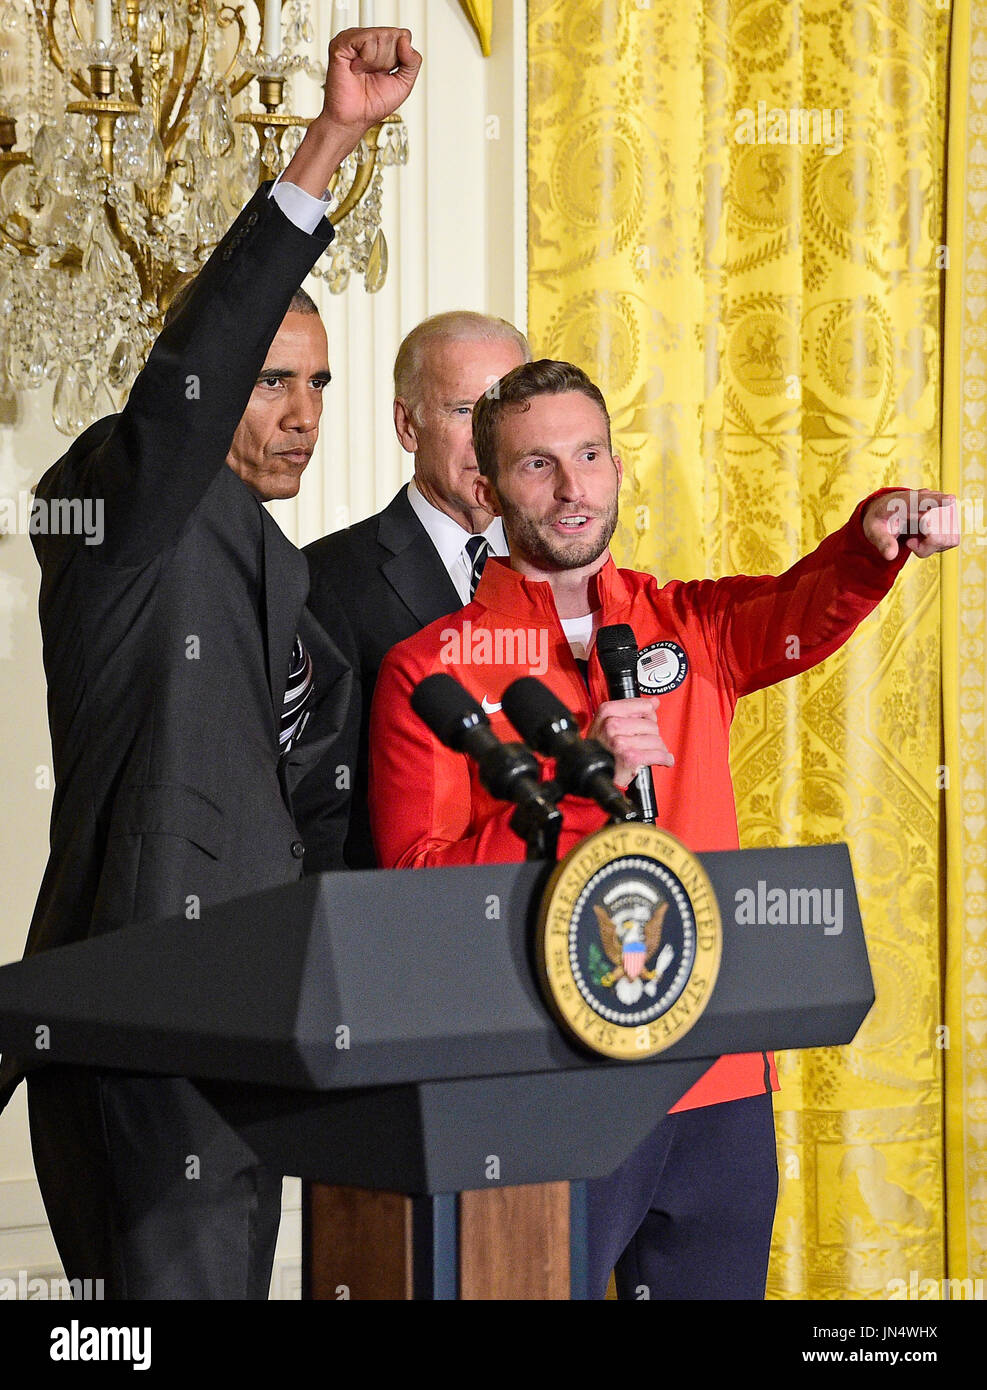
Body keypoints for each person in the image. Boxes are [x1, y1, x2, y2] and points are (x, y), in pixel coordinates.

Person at [368, 358, 958, 1299]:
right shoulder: (429, 668)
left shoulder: (687, 624)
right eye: (537, 464)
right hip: (545, 1083)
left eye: (589, 455)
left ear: (615, 465)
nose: (573, 488)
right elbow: (417, 888)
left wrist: (873, 536)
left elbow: (803, 605)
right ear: (487, 487)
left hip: (715, 1083)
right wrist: (576, 791)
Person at [0, 26, 421, 1300]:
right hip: (145, 1012)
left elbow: (312, 815)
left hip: (249, 1022)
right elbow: (192, 373)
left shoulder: (288, 584)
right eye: (271, 381)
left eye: (320, 385)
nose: (302, 414)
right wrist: (328, 143)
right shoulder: (132, 512)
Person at [303, 311, 529, 869]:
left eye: (505, 411)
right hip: (403, 900)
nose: (490, 438)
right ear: (408, 426)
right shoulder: (323, 579)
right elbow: (316, 803)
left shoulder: (564, 567)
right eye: (464, 411)